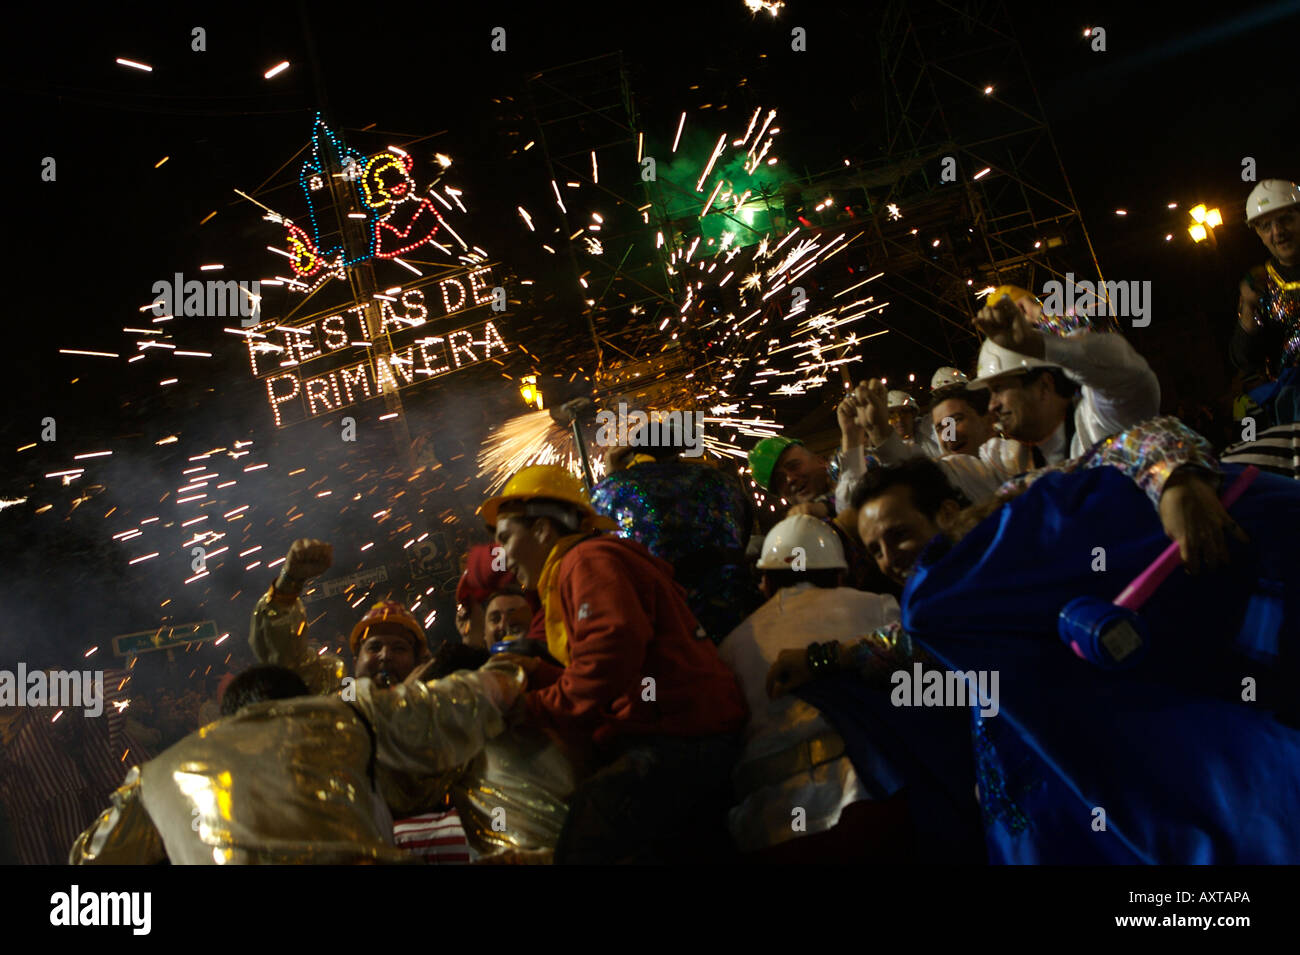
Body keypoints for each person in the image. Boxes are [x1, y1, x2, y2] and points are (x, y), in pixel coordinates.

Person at [769, 418, 1300, 863]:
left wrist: (1177, 481)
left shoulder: (1016, 515)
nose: (891, 559)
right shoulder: (947, 611)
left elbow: (1141, 436)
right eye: (876, 550)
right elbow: (908, 641)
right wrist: (825, 656)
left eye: (900, 534)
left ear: (948, 514)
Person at [481, 464, 747, 863]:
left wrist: (533, 706)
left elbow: (611, 648)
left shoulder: (586, 561)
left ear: (542, 530)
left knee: (587, 839)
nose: (500, 555)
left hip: (678, 740)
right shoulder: (582, 564)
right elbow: (612, 669)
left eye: (505, 538)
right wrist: (544, 676)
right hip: (689, 736)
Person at [248, 539, 572, 860]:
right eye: (374, 647)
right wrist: (288, 586)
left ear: (421, 661)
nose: (385, 656)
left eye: (399, 648)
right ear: (355, 659)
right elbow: (284, 659)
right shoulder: (340, 703)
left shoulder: (446, 702)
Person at [70, 661, 524, 864]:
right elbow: (466, 700)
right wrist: (515, 668)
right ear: (304, 704)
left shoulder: (151, 776)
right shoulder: (346, 714)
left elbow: (88, 869)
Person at [716, 515, 909, 859]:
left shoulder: (730, 646)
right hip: (868, 796)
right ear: (838, 574)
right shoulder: (879, 606)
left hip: (772, 823)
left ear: (766, 581)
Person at [591, 426, 761, 644]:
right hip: (737, 610)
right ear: (679, 450)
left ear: (633, 453)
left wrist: (612, 476)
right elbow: (742, 538)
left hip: (668, 620)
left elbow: (599, 546)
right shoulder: (720, 481)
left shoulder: (613, 490)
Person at [970, 285, 1161, 466]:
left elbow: (1122, 370)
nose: (992, 405)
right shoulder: (1012, 460)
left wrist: (1042, 339)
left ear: (1044, 386)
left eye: (998, 389)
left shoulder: (1101, 419)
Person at [1232, 179, 1300, 425]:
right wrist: (1248, 308)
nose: (1277, 232)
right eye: (1265, 226)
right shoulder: (1260, 285)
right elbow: (1244, 358)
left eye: (1285, 219)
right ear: (1259, 234)